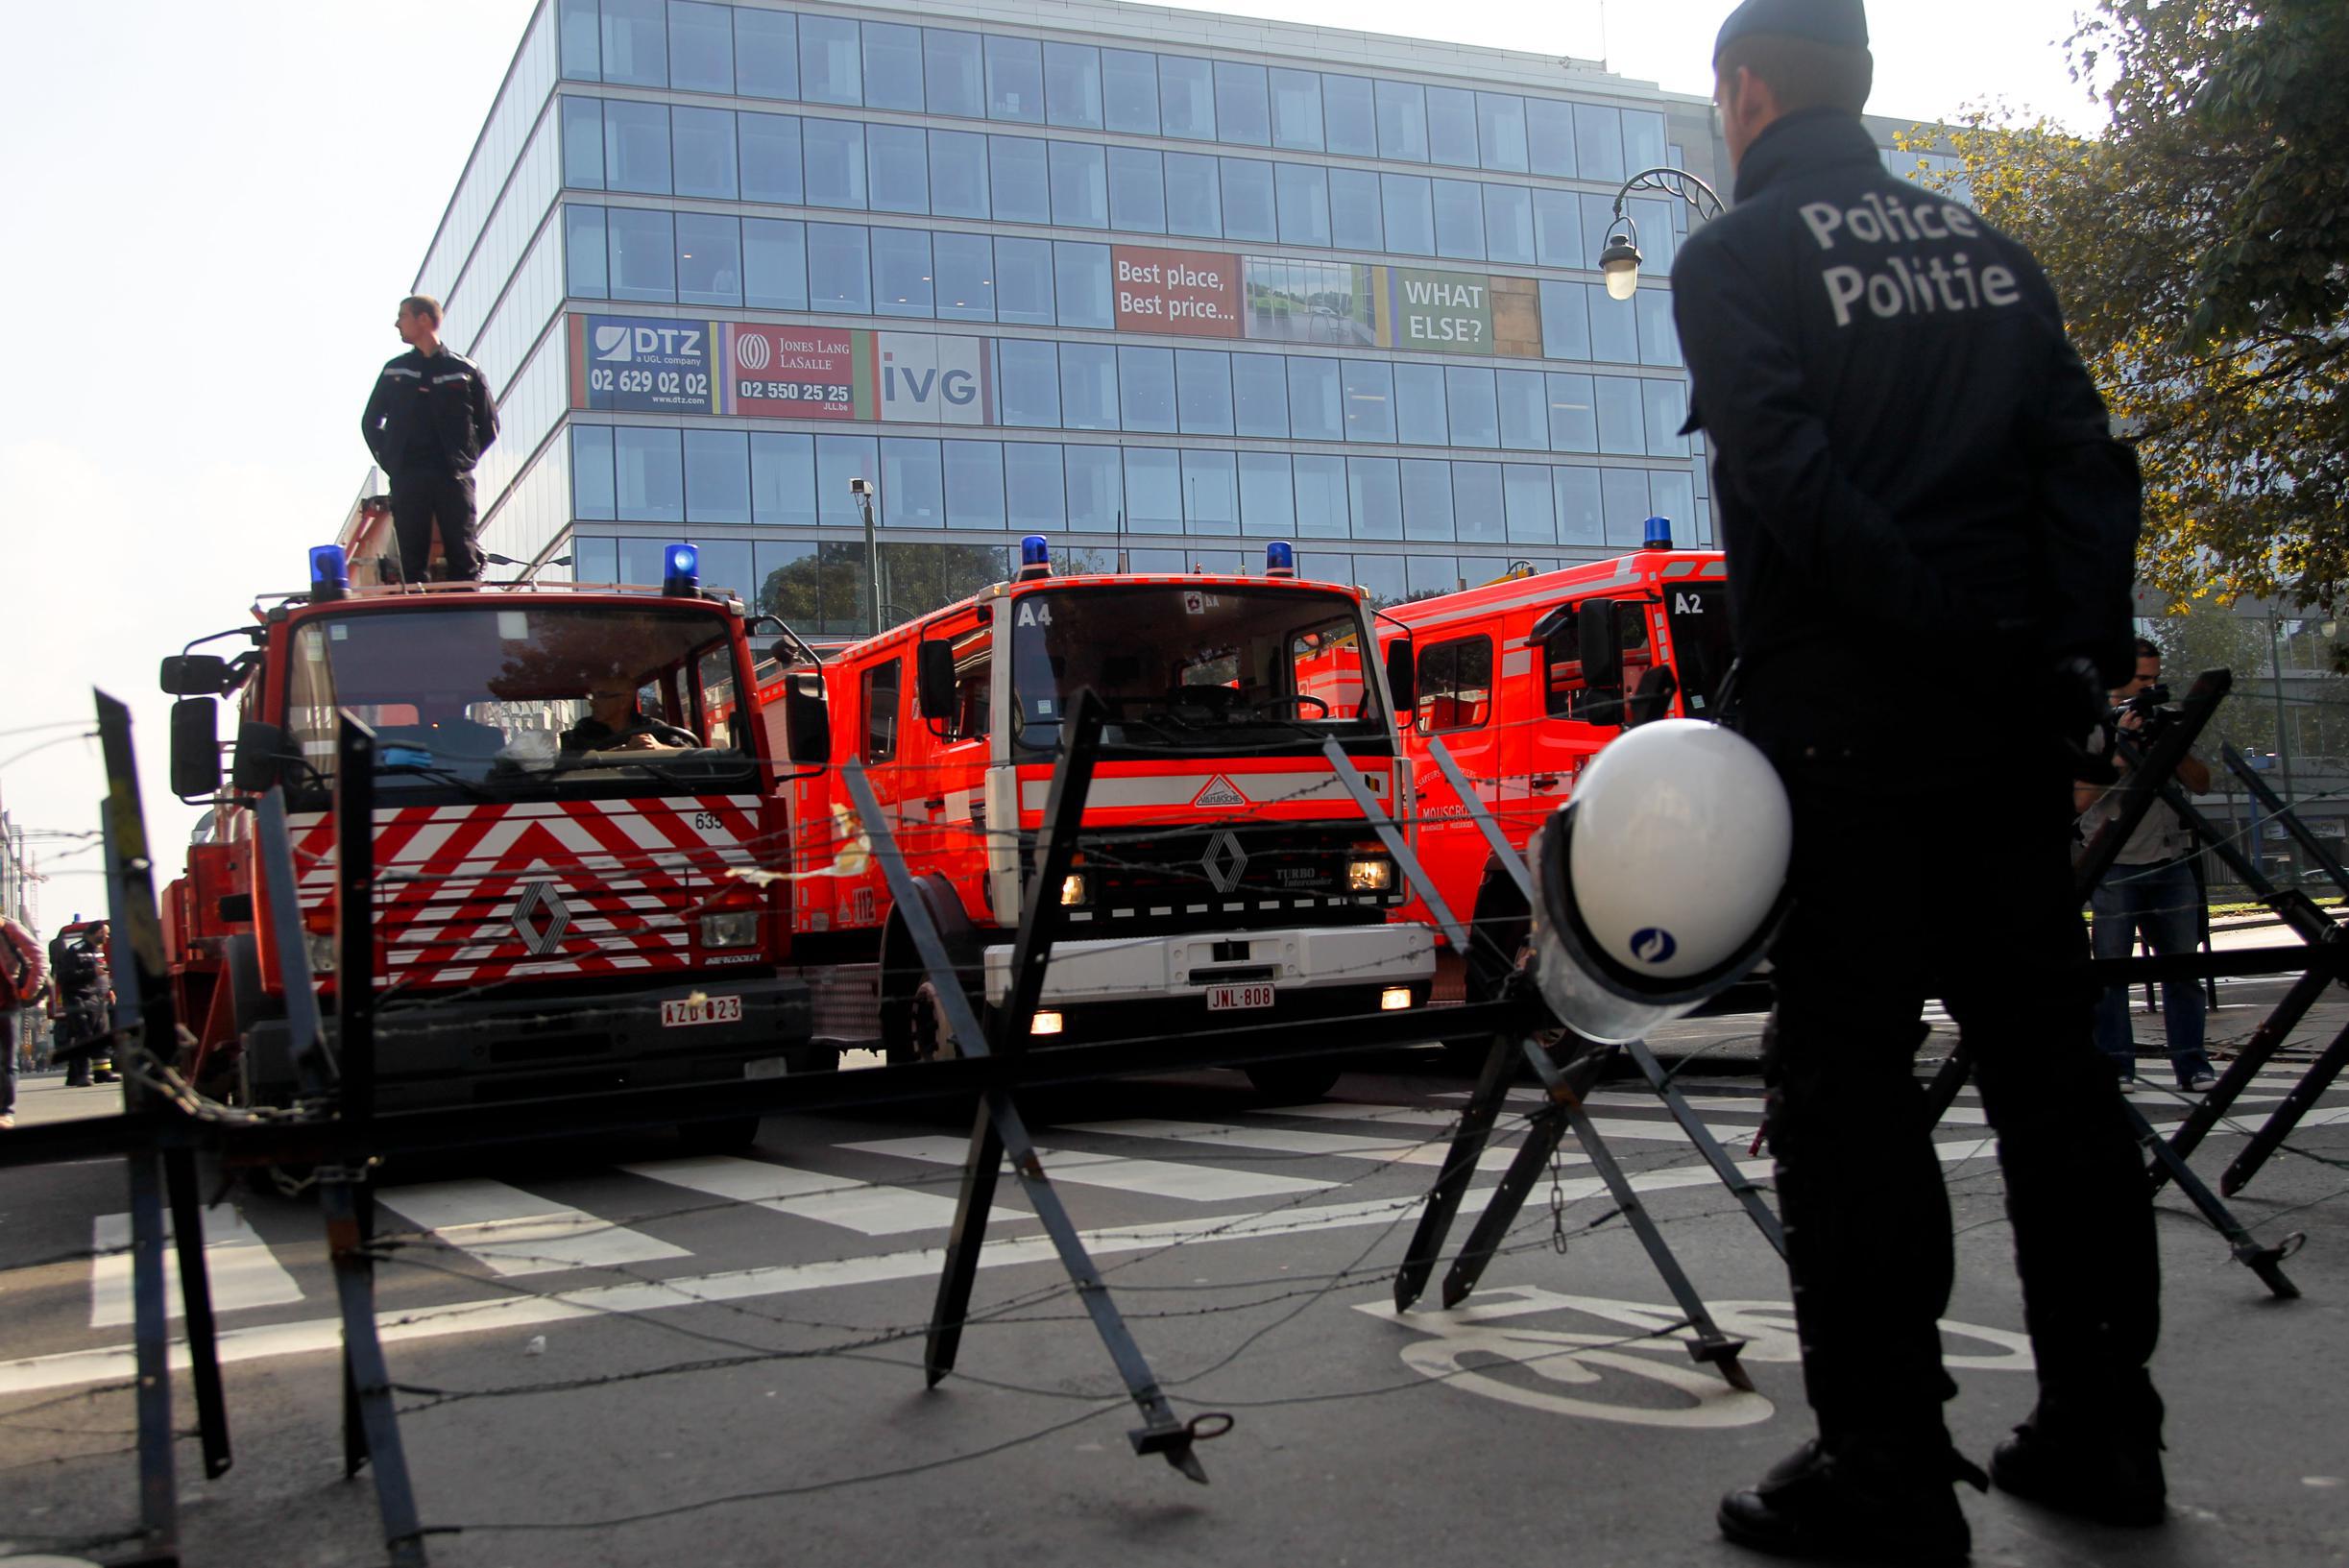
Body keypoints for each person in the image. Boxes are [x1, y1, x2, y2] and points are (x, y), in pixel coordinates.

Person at [1670, 0, 2166, 1557]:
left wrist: (1934, 635)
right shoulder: (1991, 257)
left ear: (1745, 93)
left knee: (1846, 1090)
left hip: (1845, 732)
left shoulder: (1733, 259)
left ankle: (1886, 1459)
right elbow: (2086, 468)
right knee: (2053, 1080)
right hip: (2008, 732)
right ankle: (2104, 1426)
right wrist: (2064, 660)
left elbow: (1790, 482)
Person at [2078, 637, 2217, 1094]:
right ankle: (2117, 1064)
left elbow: (2202, 783)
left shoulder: (2162, 720)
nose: (2149, 687)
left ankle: (2192, 1064)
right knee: (2112, 973)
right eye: (2141, 678)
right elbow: (2079, 799)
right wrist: (2119, 755)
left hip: (2169, 858)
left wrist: (2171, 745)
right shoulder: (2093, 726)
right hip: (2115, 862)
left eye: (2155, 678)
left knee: (2183, 970)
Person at [360, 295, 499, 585]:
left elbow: (490, 425)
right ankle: (416, 603)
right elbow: (370, 422)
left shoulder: (465, 371)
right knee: (412, 558)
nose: (397, 323)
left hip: (453, 477)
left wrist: (464, 460)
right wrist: (392, 462)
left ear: (423, 319)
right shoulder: (395, 370)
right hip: (408, 476)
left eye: (402, 316)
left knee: (463, 552)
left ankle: (466, 607)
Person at [50, 921, 116, 1089]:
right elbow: (65, 976)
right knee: (84, 1036)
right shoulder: (75, 950)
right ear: (97, 933)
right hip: (79, 998)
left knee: (101, 1034)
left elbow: (103, 974)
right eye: (106, 933)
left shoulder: (99, 951)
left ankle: (103, 1072)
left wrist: (109, 991)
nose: (108, 936)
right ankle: (82, 1075)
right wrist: (91, 972)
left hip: (98, 998)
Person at [0, 914, 47, 1129]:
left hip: (7, 1004)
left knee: (8, 1060)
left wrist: (28, 990)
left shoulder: (9, 929)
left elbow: (39, 956)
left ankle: (6, 1111)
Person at [561, 688, 684, 754]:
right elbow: (573, 764)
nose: (591, 703)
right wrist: (623, 752)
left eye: (600, 695)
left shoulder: (653, 726)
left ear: (624, 701)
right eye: (591, 696)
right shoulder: (584, 729)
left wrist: (660, 748)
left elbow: (688, 754)